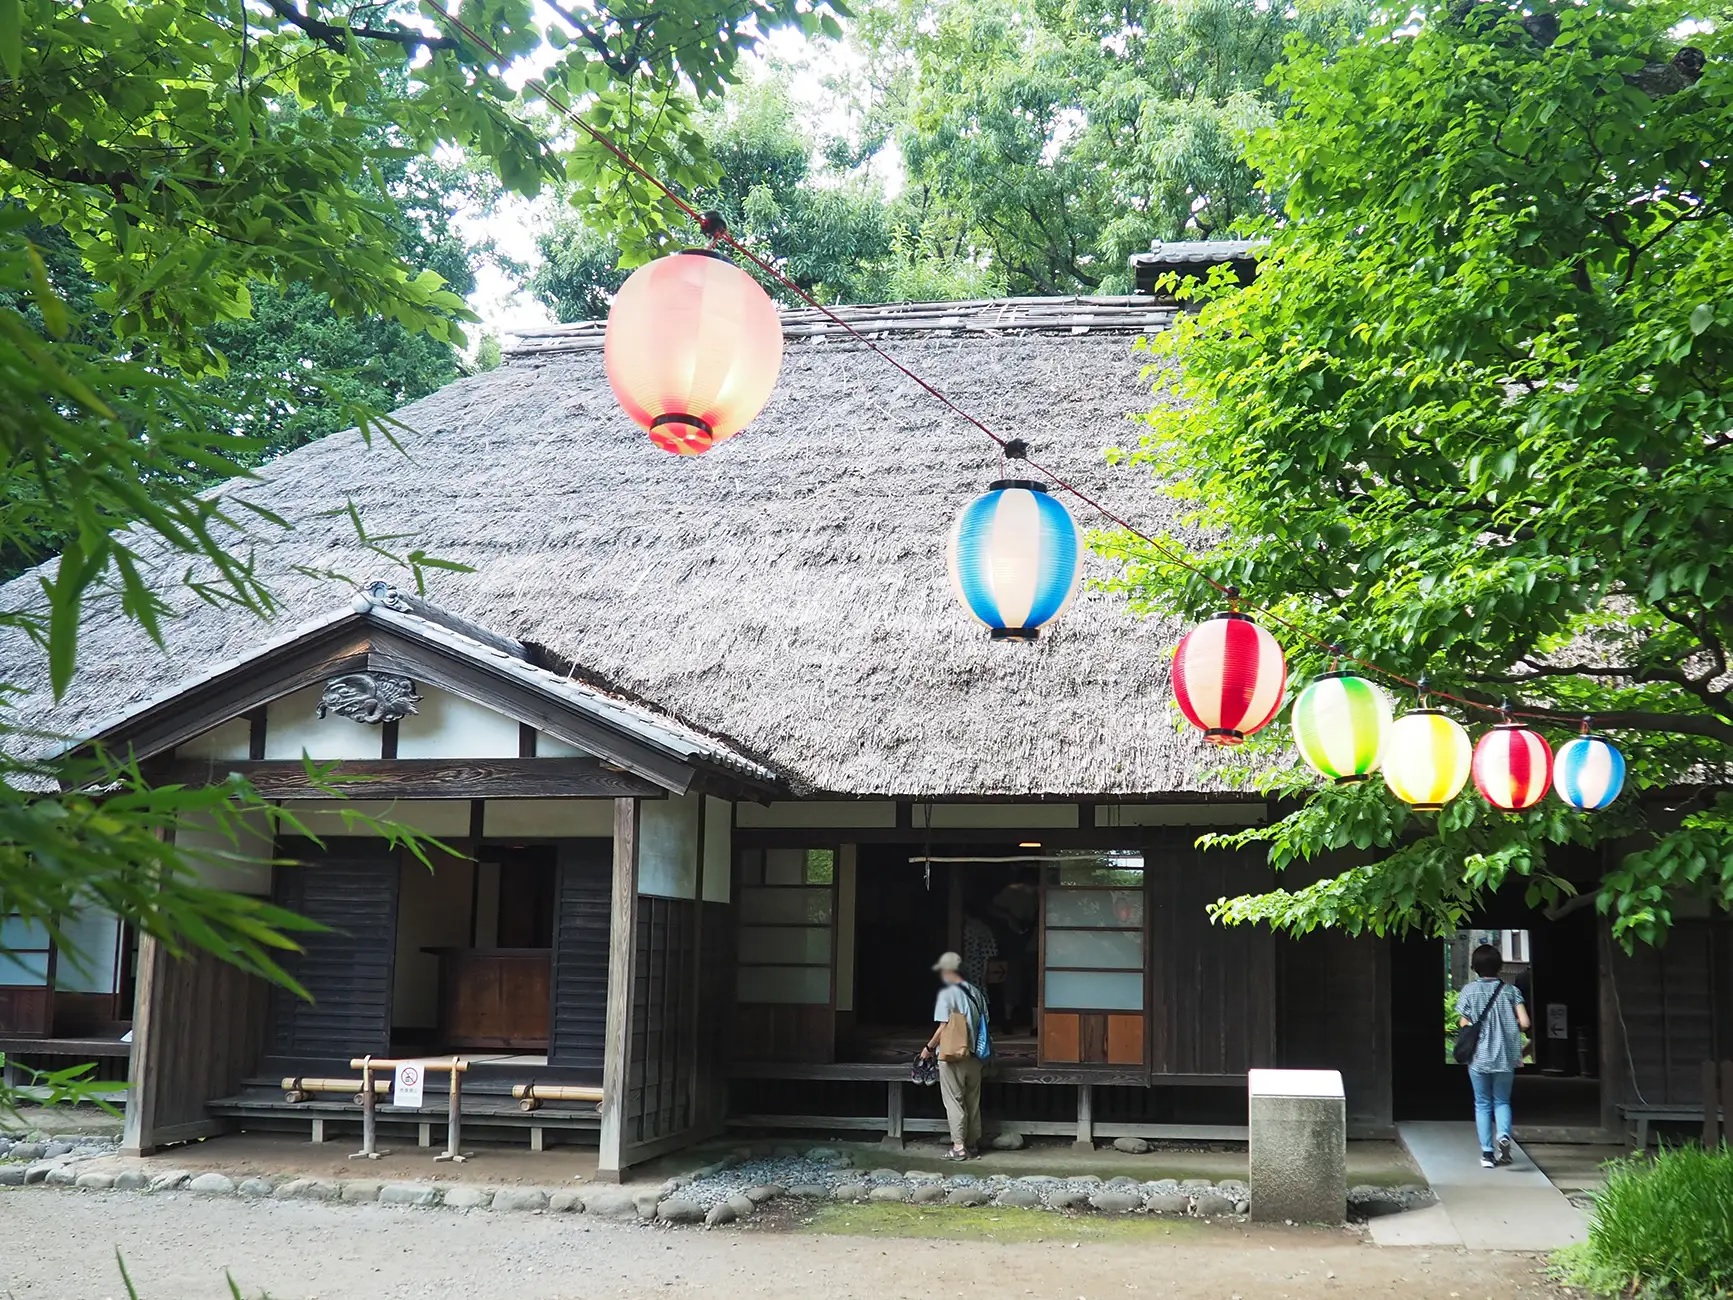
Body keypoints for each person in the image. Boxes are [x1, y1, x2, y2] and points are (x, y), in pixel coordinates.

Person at [1456, 943, 1531, 1169]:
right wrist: (1508, 1027)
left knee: (1482, 1103)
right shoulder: (1510, 991)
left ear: (1475, 967)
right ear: (1499, 966)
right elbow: (1526, 1024)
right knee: (1502, 1100)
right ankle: (1504, 1136)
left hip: (1479, 1056)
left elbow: (1464, 1022)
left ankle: (1488, 1154)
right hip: (1505, 1057)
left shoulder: (1468, 991)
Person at [919, 950, 990, 1160]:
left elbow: (944, 1026)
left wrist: (928, 1048)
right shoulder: (977, 993)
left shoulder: (947, 994)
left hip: (952, 1055)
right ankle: (972, 1143)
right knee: (972, 1100)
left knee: (954, 1100)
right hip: (976, 1055)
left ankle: (958, 1147)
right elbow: (985, 1021)